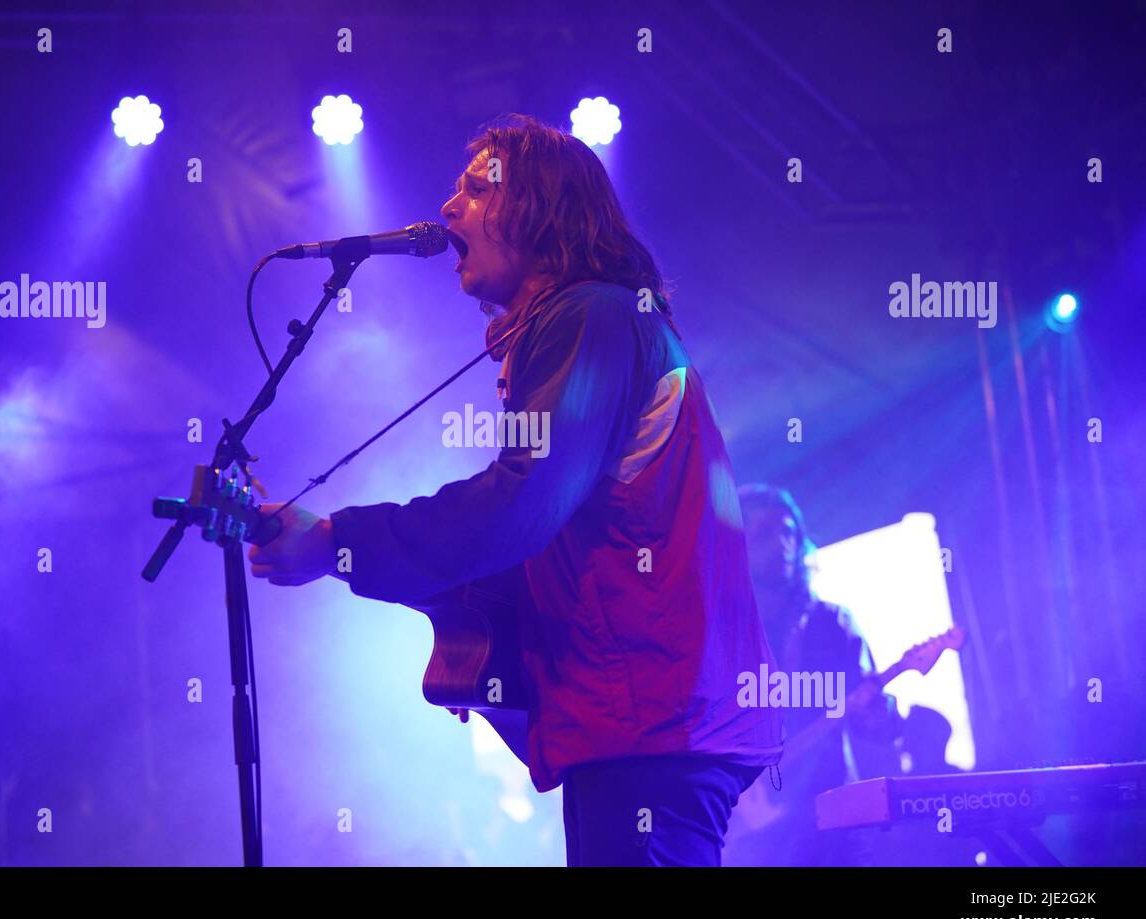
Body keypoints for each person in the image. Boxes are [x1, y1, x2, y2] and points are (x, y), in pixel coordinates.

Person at [247, 114, 782, 866]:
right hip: (645, 721)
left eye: (475, 187)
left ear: (540, 207)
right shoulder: (593, 319)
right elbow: (565, 528)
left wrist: (339, 541)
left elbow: (518, 504)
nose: (447, 208)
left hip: (651, 720)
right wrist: (482, 643)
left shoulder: (592, 313)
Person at [729, 484, 902, 865]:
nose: (780, 545)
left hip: (832, 818)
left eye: (787, 531)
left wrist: (877, 713)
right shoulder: (723, 631)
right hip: (751, 831)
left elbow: (879, 725)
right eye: (761, 533)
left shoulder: (834, 623)